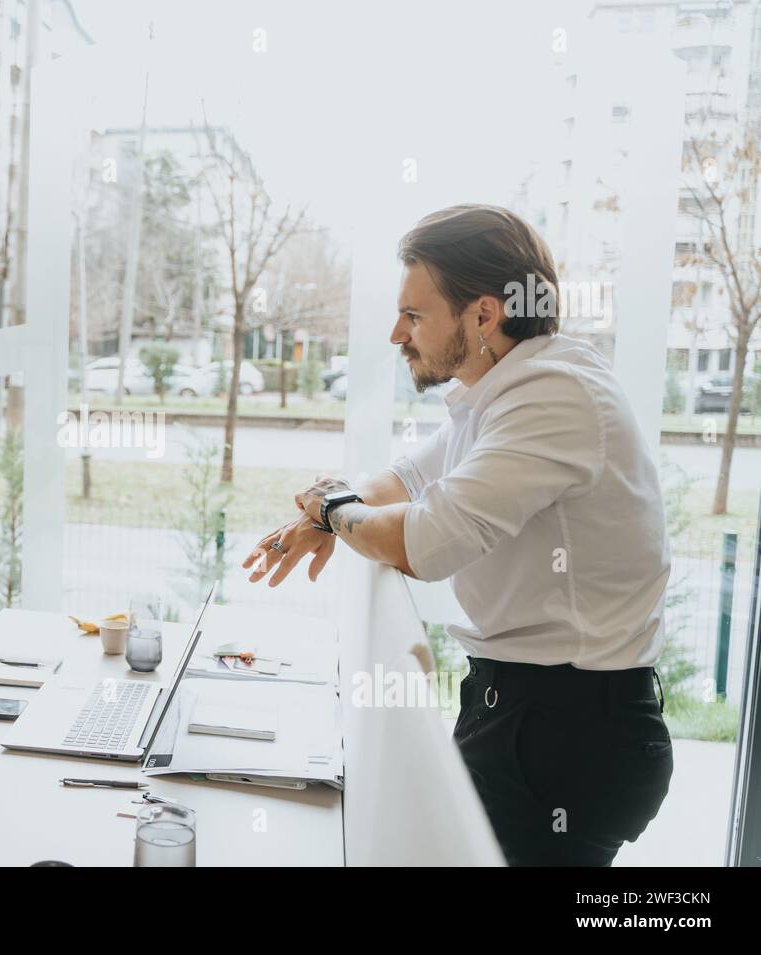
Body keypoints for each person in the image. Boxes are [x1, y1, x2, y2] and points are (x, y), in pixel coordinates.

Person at [244, 204, 673, 866]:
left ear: (481, 316)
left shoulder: (551, 395)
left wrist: (331, 512)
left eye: (413, 314)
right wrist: (325, 510)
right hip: (525, 712)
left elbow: (424, 542)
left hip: (572, 735)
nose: (396, 333)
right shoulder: (502, 392)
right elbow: (405, 481)